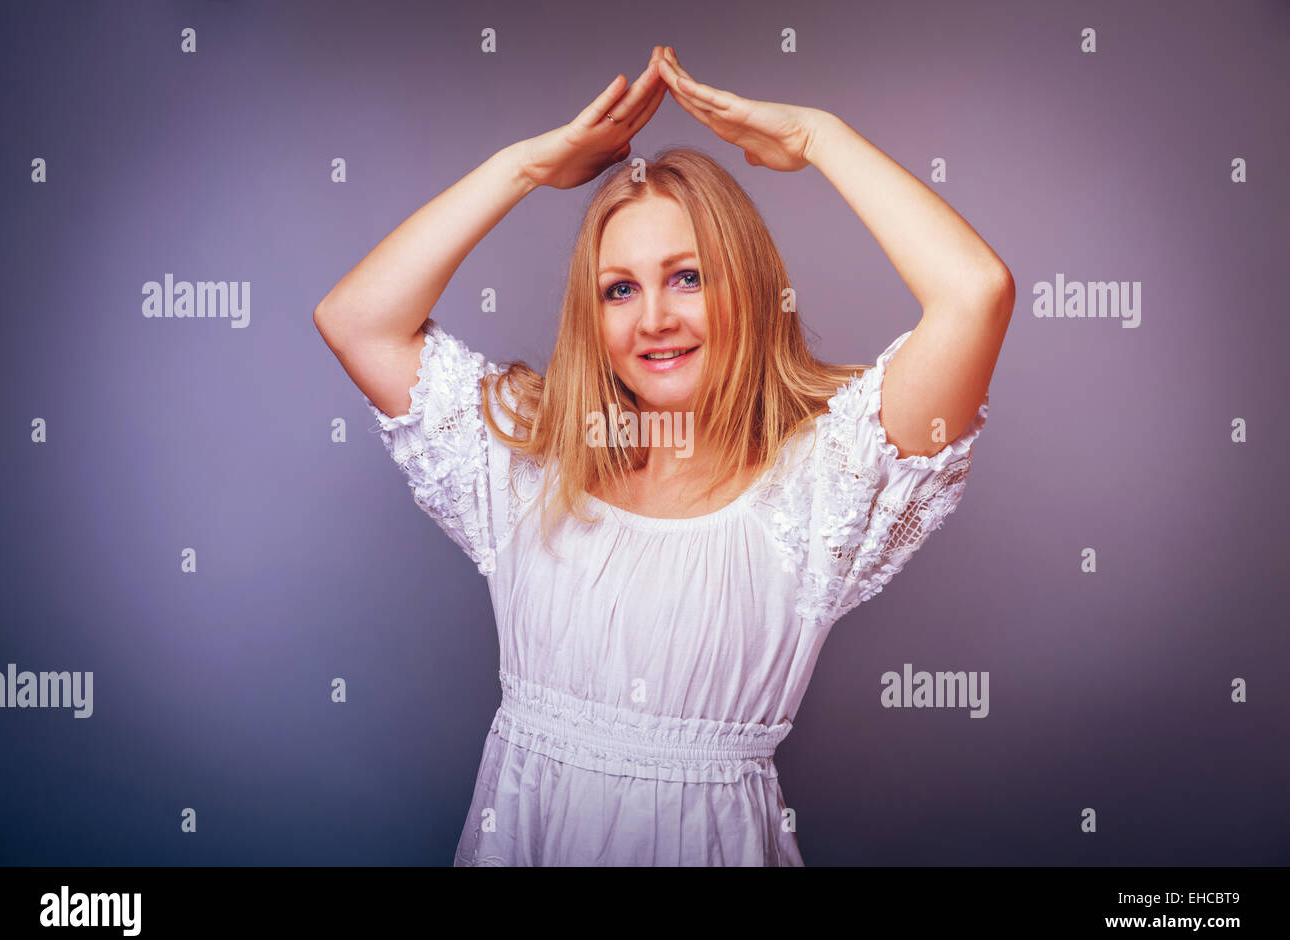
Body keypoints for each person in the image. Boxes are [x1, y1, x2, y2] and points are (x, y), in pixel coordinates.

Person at [313, 45, 1013, 865]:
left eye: (688, 277)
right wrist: (525, 166)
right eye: (620, 289)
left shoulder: (820, 488)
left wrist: (819, 136)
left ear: (747, 288)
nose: (653, 320)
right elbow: (355, 317)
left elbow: (975, 294)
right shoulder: (528, 463)